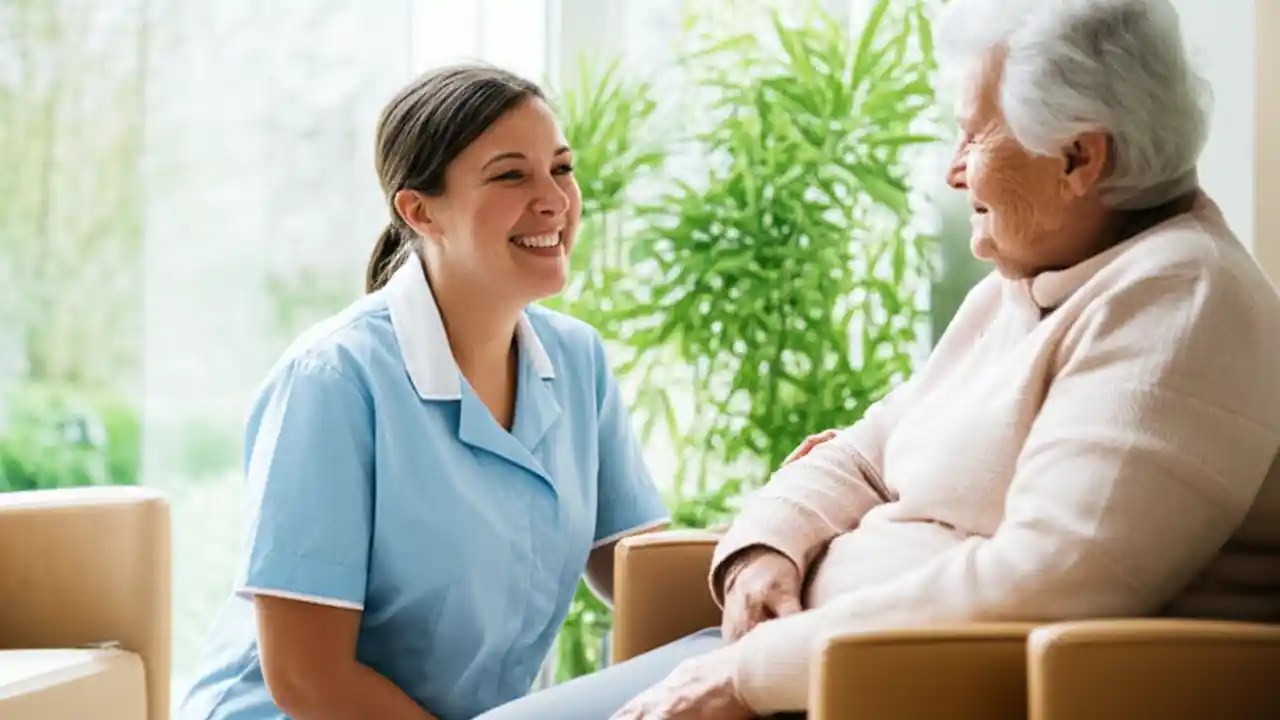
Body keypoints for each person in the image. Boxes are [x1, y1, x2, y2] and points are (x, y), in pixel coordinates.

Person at [479, 0, 1280, 717]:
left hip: (892, 688)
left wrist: (753, 672)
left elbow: (1049, 579)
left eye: (975, 135)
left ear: (1081, 159)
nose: (953, 169)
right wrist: (769, 545)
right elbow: (867, 450)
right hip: (804, 669)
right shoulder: (1028, 285)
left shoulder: (1182, 304)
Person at [179, 64, 669, 720]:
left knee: (710, 653)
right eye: (510, 174)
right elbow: (306, 677)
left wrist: (790, 545)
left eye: (561, 167)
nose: (554, 198)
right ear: (419, 210)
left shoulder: (577, 362)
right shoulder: (334, 379)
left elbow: (648, 579)